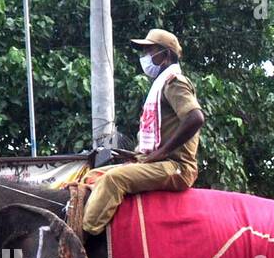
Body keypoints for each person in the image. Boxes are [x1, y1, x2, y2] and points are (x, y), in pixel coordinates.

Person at [82, 29, 205, 236]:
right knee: (93, 175)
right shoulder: (160, 85)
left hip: (176, 167)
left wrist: (162, 152)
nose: (145, 57)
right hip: (157, 162)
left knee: (115, 180)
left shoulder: (174, 82)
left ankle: (81, 237)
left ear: (165, 55)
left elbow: (196, 118)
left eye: (150, 51)